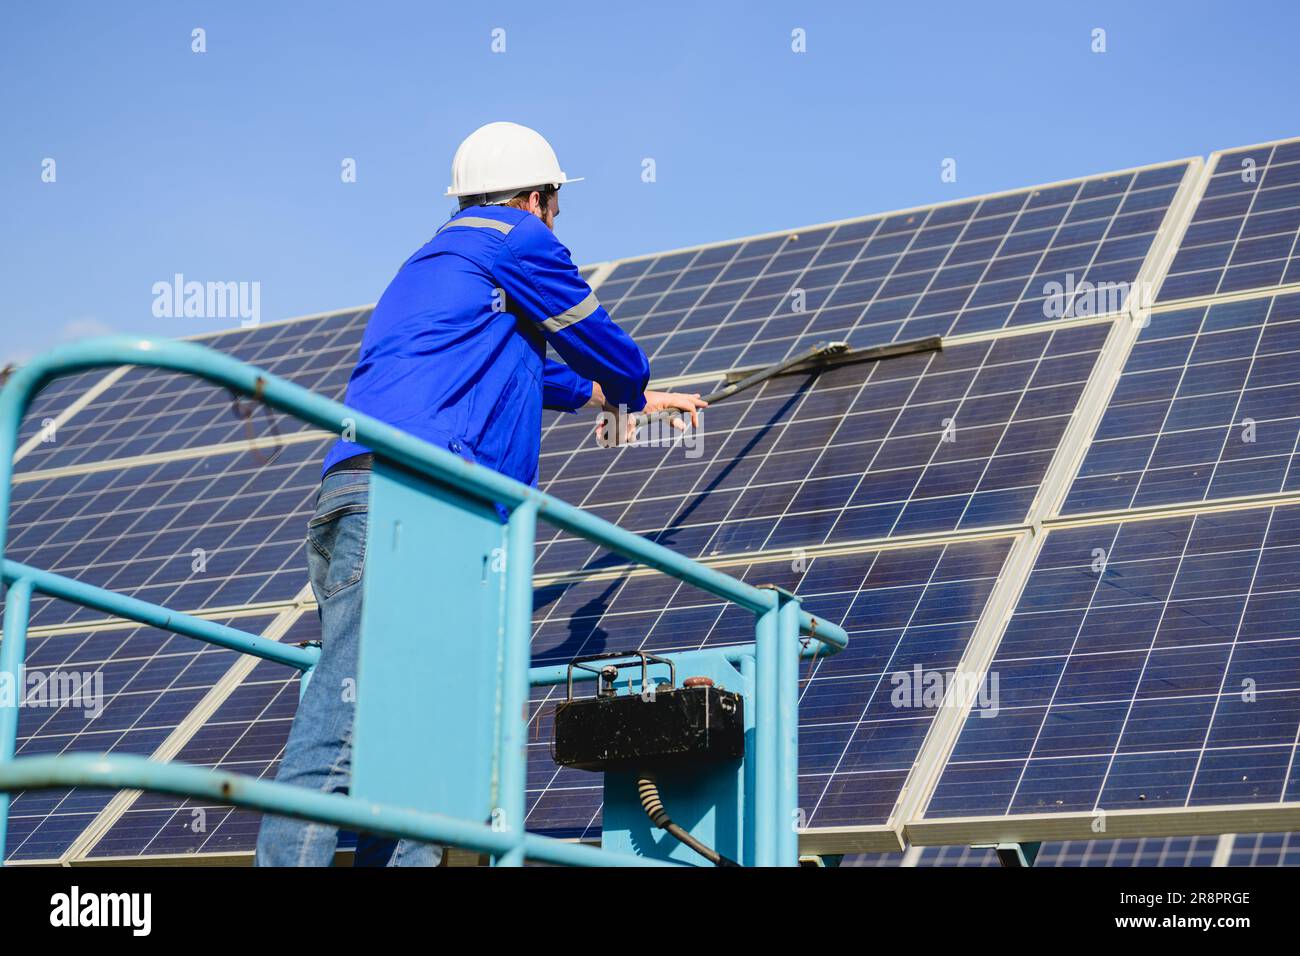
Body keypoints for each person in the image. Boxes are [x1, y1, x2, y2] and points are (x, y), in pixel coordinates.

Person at [255, 121, 706, 866]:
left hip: (366, 501)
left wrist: (617, 400)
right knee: (347, 728)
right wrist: (628, 392)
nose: (557, 222)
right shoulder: (518, 240)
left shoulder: (437, 262)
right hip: (412, 505)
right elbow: (603, 341)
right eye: (557, 206)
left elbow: (539, 369)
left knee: (409, 743)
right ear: (537, 198)